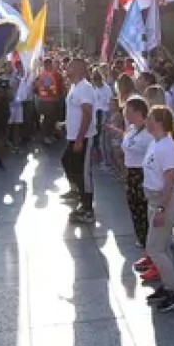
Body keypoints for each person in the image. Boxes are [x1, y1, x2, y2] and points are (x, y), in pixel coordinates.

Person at [138, 106, 174, 311]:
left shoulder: (167, 147)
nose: (146, 121)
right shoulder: (156, 143)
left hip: (165, 201)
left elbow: (169, 181)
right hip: (155, 200)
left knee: (154, 248)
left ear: (158, 122)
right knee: (162, 246)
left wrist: (160, 209)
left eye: (149, 118)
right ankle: (167, 286)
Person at [62, 60, 96, 224]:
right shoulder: (74, 86)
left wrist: (80, 139)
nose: (67, 68)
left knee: (83, 174)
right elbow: (75, 112)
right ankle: (77, 193)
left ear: (79, 69)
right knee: (67, 163)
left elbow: (87, 114)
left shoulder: (85, 87)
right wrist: (64, 124)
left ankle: (88, 210)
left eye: (71, 66)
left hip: (82, 138)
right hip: (73, 136)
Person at [117, 97, 152, 249]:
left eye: (128, 111)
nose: (125, 114)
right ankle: (141, 236)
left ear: (138, 112)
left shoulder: (149, 133)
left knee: (145, 207)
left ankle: (152, 239)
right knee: (133, 205)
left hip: (144, 173)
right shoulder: (131, 130)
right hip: (131, 172)